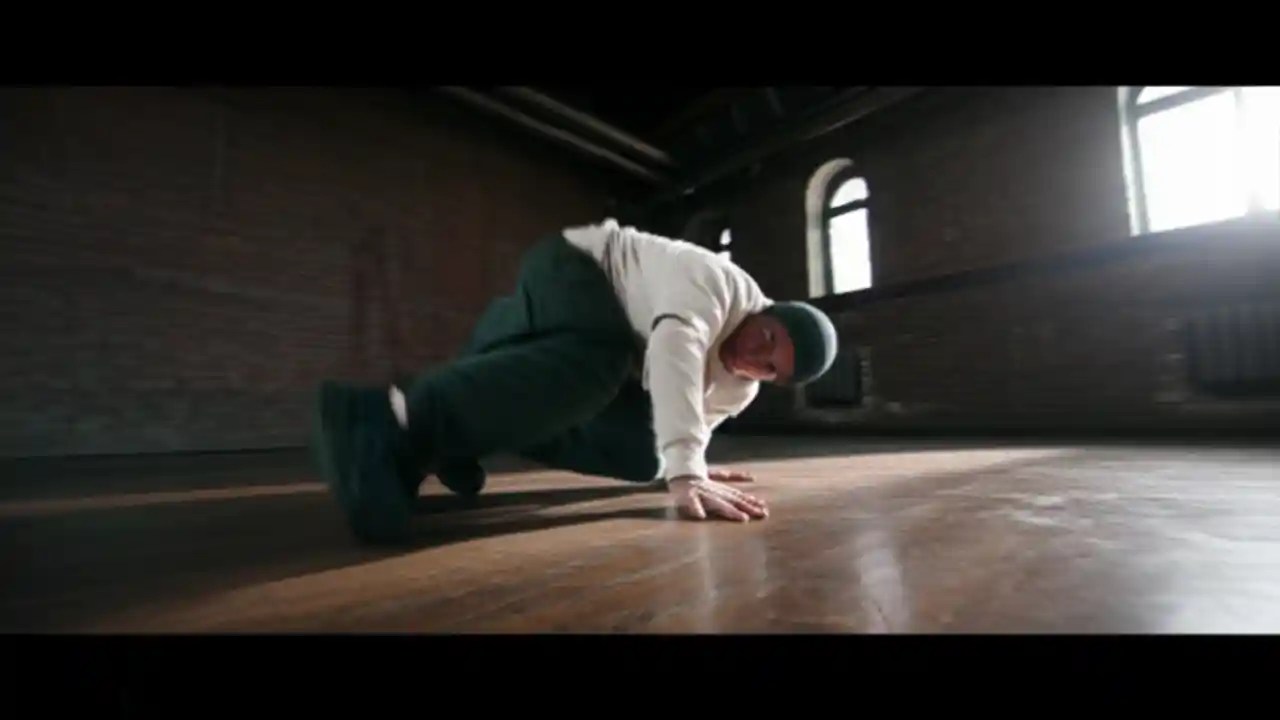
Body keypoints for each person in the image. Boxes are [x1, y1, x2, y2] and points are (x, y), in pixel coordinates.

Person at [312, 218, 838, 544]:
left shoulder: (740, 387)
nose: (754, 357)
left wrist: (689, 464)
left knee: (642, 455)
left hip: (594, 327)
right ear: (765, 311)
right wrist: (687, 474)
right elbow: (676, 353)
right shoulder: (717, 284)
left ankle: (450, 431)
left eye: (771, 369)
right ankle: (380, 420)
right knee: (597, 366)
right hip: (581, 264)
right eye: (767, 338)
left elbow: (691, 424)